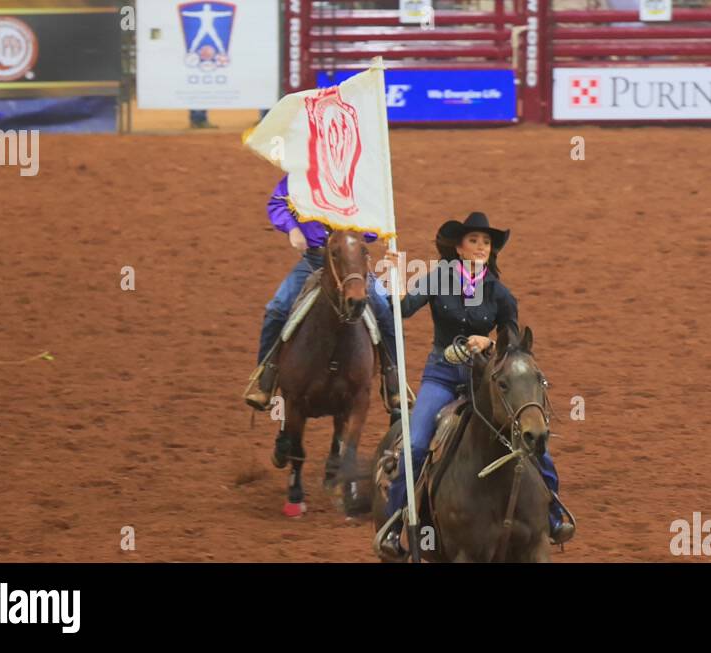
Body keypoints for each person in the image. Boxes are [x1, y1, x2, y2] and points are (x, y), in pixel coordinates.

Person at [379, 212, 574, 558]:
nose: (481, 247)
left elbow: (513, 340)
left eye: (486, 242)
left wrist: (490, 343)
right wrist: (391, 280)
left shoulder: (499, 292)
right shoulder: (437, 279)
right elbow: (402, 309)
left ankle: (555, 513)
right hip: (441, 376)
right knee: (417, 443)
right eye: (474, 241)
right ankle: (395, 525)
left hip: (485, 382)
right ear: (459, 247)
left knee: (533, 438)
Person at [244, 175, 403, 416]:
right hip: (315, 258)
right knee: (277, 308)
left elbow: (375, 219)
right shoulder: (300, 174)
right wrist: (293, 229)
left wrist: (366, 230)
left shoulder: (358, 176)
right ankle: (266, 378)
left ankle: (394, 381)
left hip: (351, 262)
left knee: (384, 309)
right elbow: (278, 203)